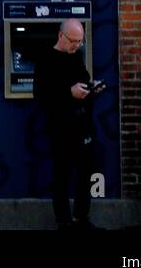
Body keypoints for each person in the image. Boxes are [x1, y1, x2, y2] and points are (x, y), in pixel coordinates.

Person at [35, 18, 105, 230]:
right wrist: (69, 92)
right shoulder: (46, 59)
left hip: (83, 124)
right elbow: (41, 95)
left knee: (86, 173)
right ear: (60, 36)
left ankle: (81, 218)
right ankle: (63, 221)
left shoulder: (76, 57)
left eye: (80, 41)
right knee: (62, 176)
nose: (76, 45)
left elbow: (83, 80)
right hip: (60, 127)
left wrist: (92, 88)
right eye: (73, 40)